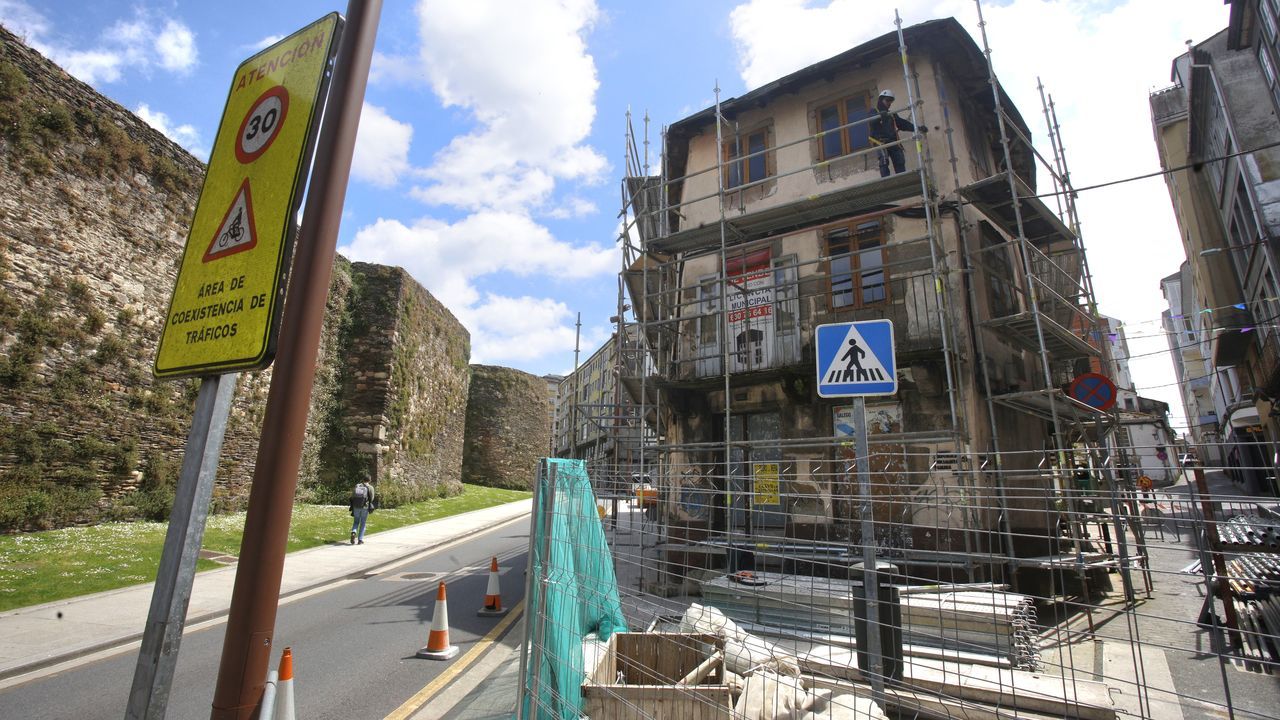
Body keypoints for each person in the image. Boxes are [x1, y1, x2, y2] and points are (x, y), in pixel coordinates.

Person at [868, 89, 926, 177]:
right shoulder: (874, 111)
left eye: (890, 101)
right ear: (881, 100)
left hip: (892, 140)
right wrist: (880, 116)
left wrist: (917, 128)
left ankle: (902, 177)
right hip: (880, 141)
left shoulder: (891, 114)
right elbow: (872, 121)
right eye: (887, 100)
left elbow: (902, 124)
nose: (889, 103)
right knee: (884, 160)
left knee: (899, 159)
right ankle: (886, 180)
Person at [348, 477, 376, 545]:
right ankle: (360, 540)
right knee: (363, 523)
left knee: (356, 522)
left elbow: (352, 496)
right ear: (370, 480)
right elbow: (372, 498)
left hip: (356, 507)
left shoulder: (357, 486)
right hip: (365, 507)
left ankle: (354, 532)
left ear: (363, 480)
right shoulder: (370, 487)